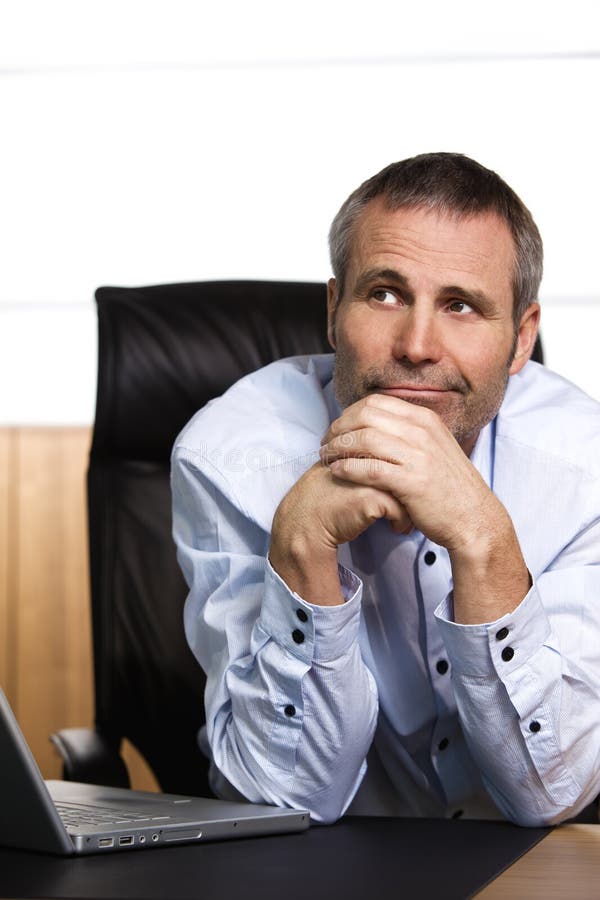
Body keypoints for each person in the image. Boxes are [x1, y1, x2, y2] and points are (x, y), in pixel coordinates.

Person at [171, 152, 600, 826]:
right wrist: (303, 552)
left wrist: (484, 542)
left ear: (521, 340)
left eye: (461, 305)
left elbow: (551, 795)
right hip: (322, 874)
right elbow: (286, 800)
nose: (417, 345)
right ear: (335, 308)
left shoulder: (584, 466)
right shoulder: (233, 457)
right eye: (386, 294)